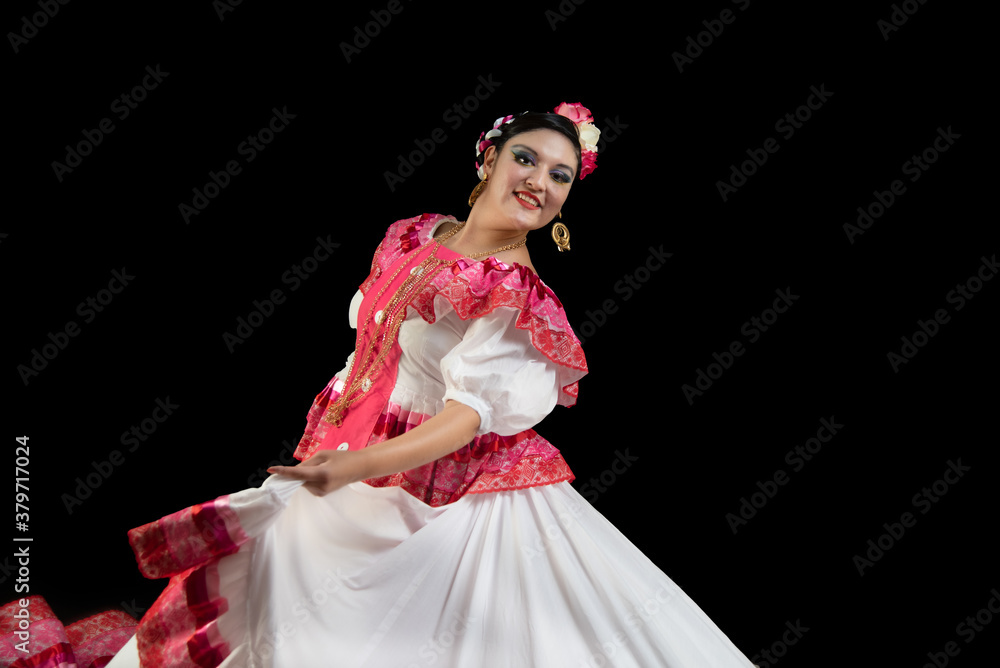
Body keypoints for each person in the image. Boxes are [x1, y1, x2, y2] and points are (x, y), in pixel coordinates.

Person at [106, 103, 756, 667]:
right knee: (281, 594)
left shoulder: (513, 295)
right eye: (525, 159)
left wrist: (352, 465)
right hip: (353, 472)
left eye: (560, 175)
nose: (539, 182)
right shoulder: (420, 237)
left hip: (444, 498)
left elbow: (463, 420)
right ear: (487, 160)